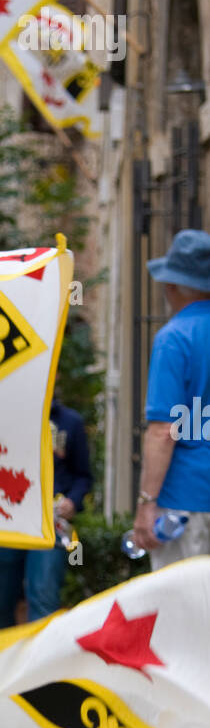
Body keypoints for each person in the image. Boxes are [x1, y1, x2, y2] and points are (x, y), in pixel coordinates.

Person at [0, 391, 92, 627]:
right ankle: (1, 662)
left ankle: (39, 663)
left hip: (51, 522)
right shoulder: (3, 421)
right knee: (0, 603)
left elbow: (83, 476)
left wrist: (73, 500)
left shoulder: (70, 422)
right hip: (6, 520)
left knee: (43, 599)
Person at [131, 229, 210, 566]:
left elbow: (164, 431)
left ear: (173, 285)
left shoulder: (175, 338)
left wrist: (146, 504)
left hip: (185, 503)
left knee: (184, 614)